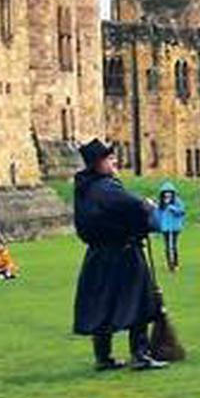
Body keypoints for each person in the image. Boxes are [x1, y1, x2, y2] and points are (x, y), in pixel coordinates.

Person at [72, 139, 165, 372]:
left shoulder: (87, 188)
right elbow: (133, 206)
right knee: (140, 301)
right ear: (98, 163)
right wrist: (147, 206)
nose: (114, 162)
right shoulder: (105, 188)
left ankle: (103, 357)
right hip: (122, 252)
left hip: (99, 255)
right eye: (109, 158)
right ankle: (140, 355)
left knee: (102, 302)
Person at [153, 180, 186, 272]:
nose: (167, 195)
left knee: (174, 246)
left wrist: (172, 208)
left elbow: (182, 211)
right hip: (165, 228)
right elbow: (158, 216)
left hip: (174, 227)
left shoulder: (177, 201)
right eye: (166, 193)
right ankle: (169, 264)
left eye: (169, 193)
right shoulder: (161, 204)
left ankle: (175, 263)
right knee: (167, 246)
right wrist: (157, 228)